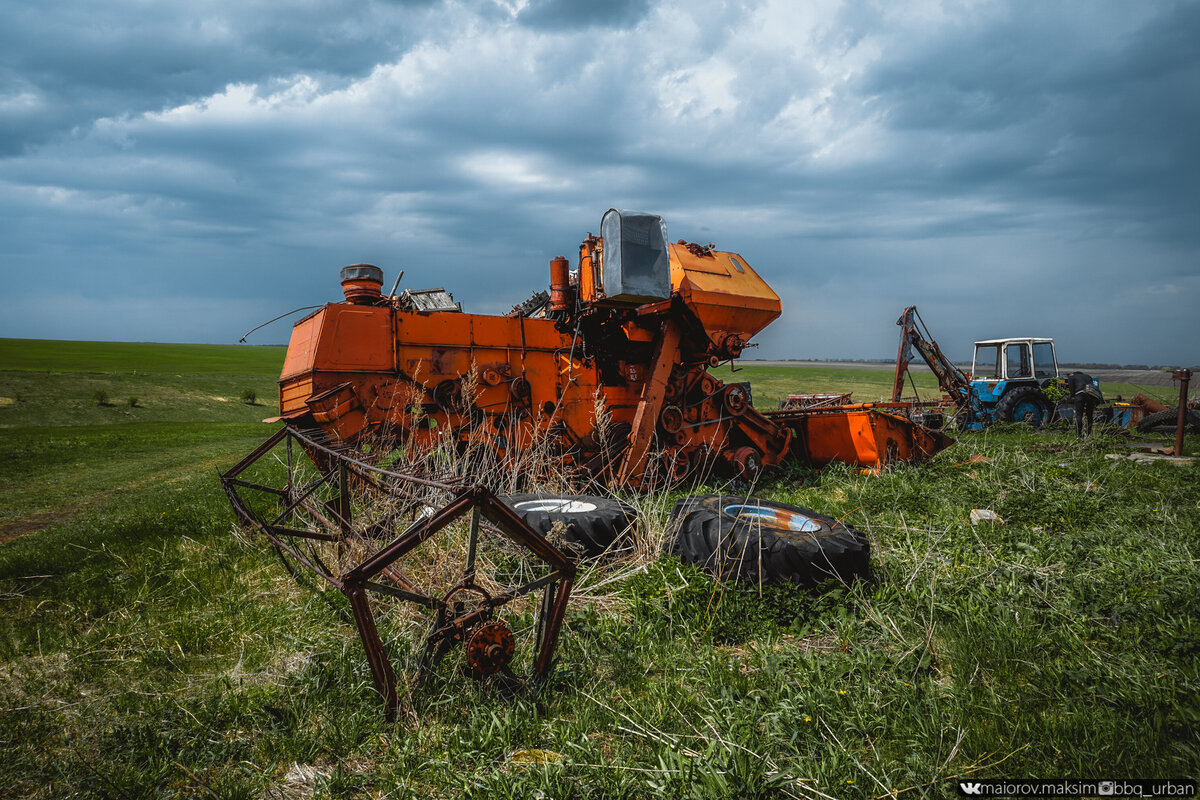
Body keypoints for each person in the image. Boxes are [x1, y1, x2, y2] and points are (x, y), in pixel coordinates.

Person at [1068, 371, 1101, 438]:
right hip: (1091, 395)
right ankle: (1088, 434)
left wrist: (1070, 397)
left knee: (1079, 415)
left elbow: (1072, 391)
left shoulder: (1072, 377)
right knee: (1089, 415)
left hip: (1079, 395)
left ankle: (1078, 435)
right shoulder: (1088, 376)